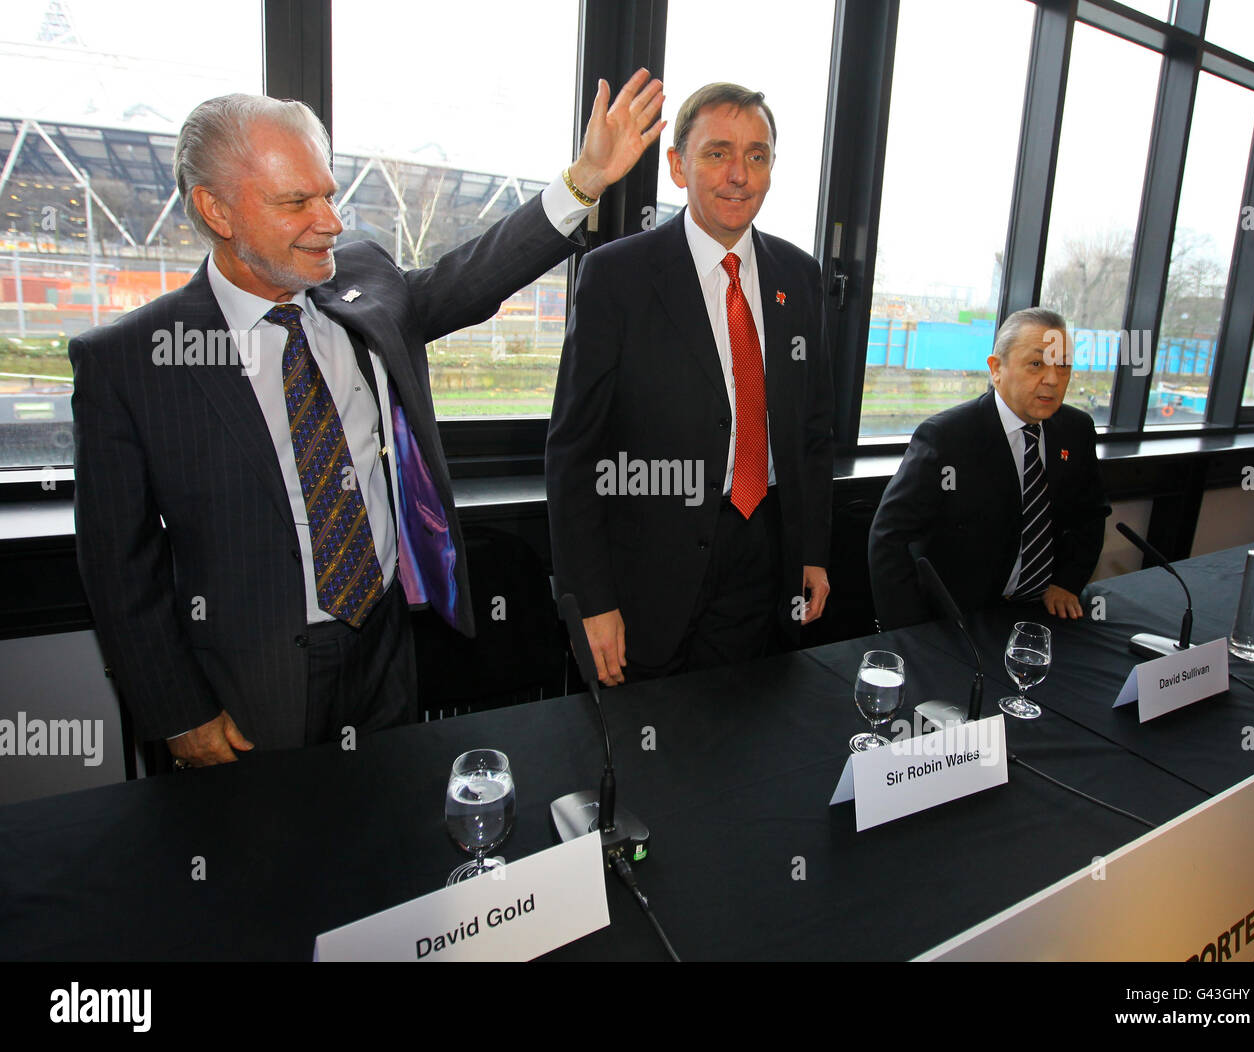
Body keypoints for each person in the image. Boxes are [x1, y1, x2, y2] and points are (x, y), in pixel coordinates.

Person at [71, 72, 665, 766]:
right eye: (296, 201)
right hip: (249, 684)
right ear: (218, 211)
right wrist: (177, 711)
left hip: (385, 646)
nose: (329, 221)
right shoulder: (130, 362)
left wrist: (585, 179)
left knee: (387, 847)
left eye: (328, 192)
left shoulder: (360, 279)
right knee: (265, 864)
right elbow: (118, 566)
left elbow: (467, 280)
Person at [546, 82, 834, 686]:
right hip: (644, 574)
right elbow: (574, 453)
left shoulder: (799, 278)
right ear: (677, 166)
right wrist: (591, 601)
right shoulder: (615, 276)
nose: (738, 174)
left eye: (757, 156)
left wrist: (811, 550)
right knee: (643, 757)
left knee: (738, 746)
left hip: (761, 559)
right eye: (717, 153)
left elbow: (810, 431)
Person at [868, 307, 1109, 630]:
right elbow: (888, 537)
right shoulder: (947, 437)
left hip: (1042, 612)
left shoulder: (1076, 430)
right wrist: (909, 631)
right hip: (961, 620)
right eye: (1036, 364)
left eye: (1063, 365)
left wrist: (1068, 581)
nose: (1052, 379)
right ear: (996, 369)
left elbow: (1090, 516)